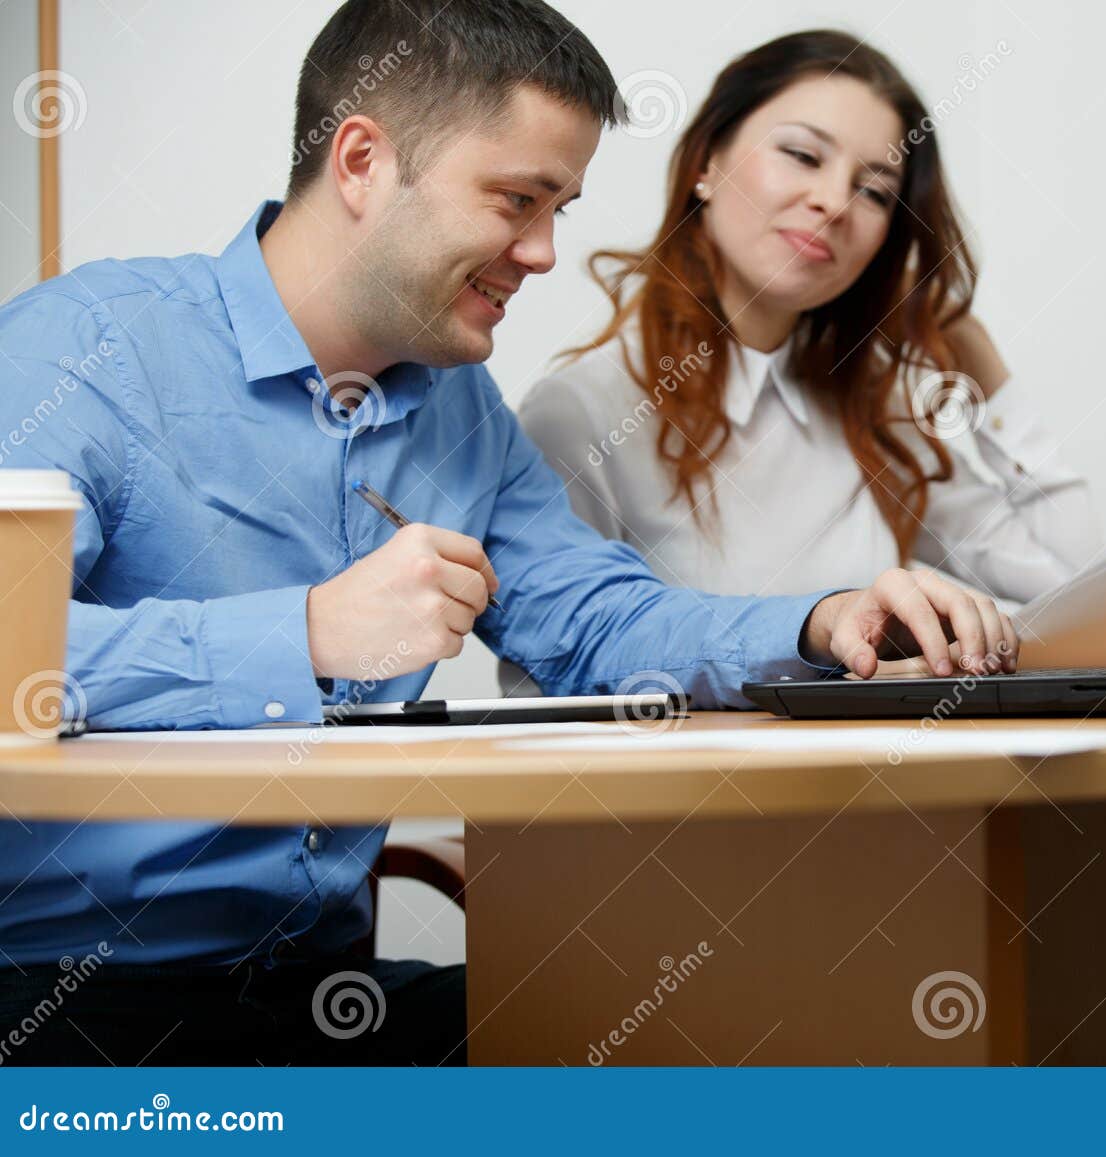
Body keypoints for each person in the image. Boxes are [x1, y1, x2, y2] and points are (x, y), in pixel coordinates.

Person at [0, 0, 1016, 1066]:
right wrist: (302, 635)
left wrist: (823, 619)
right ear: (361, 161)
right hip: (63, 996)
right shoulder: (87, 349)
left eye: (558, 209)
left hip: (320, 988)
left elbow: (596, 617)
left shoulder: (455, 405)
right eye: (515, 200)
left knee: (705, 1051)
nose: (540, 253)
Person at [509, 30, 1100, 637]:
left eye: (873, 191)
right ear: (707, 163)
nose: (834, 202)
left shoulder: (877, 418)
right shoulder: (583, 413)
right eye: (803, 155)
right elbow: (557, 664)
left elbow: (1074, 579)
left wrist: (981, 365)